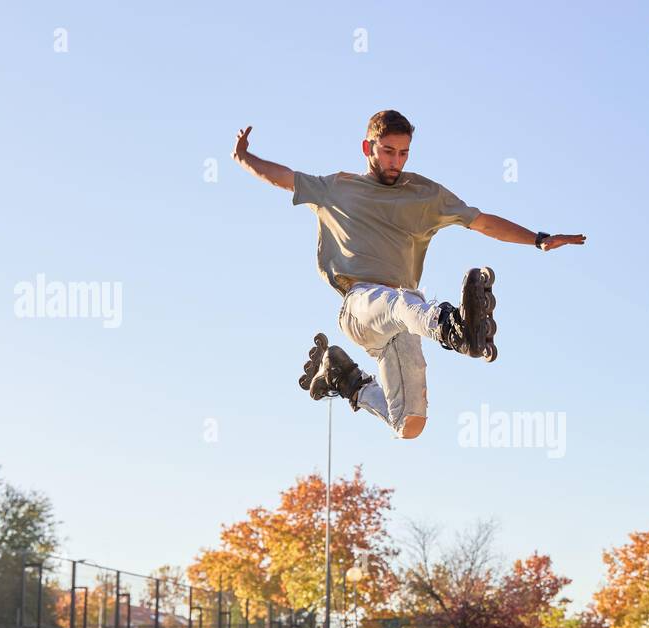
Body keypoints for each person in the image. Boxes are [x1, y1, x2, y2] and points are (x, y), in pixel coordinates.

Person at [232, 109, 586, 439]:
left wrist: (537, 239)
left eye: (403, 153)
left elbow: (482, 222)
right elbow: (282, 178)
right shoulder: (336, 188)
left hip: (403, 323)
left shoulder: (425, 194)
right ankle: (453, 327)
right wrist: (245, 158)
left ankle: (346, 379)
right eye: (388, 151)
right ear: (367, 147)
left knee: (409, 425)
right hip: (361, 306)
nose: (396, 162)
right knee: (402, 300)